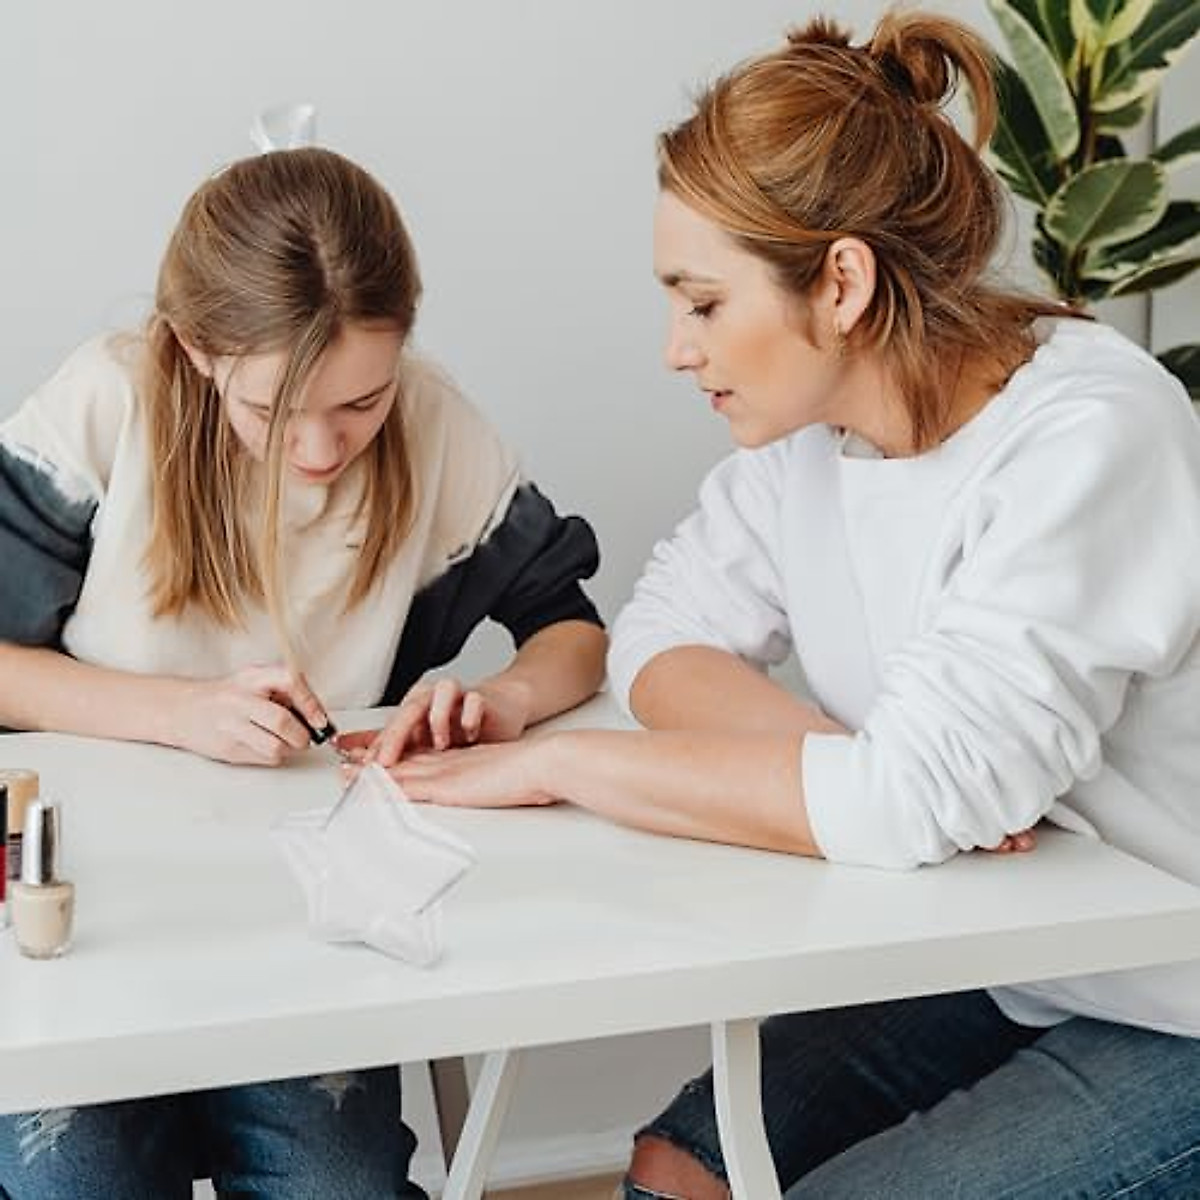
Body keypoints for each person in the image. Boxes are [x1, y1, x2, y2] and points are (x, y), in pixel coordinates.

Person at [386, 11, 1200, 1198]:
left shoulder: (1089, 438)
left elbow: (904, 802)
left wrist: (567, 771)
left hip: (1173, 990)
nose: (677, 348)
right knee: (679, 1169)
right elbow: (658, 641)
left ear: (842, 282)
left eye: (704, 304)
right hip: (1013, 960)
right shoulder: (815, 439)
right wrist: (859, 769)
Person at [0, 145, 605, 1198]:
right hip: (90, 910)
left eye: (359, 406)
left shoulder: (432, 423)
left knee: (341, 1184)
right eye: (276, 414)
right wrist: (176, 714)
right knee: (73, 1181)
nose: (323, 449)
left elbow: (573, 631)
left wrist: (501, 698)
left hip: (313, 919)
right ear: (195, 349)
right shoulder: (107, 404)